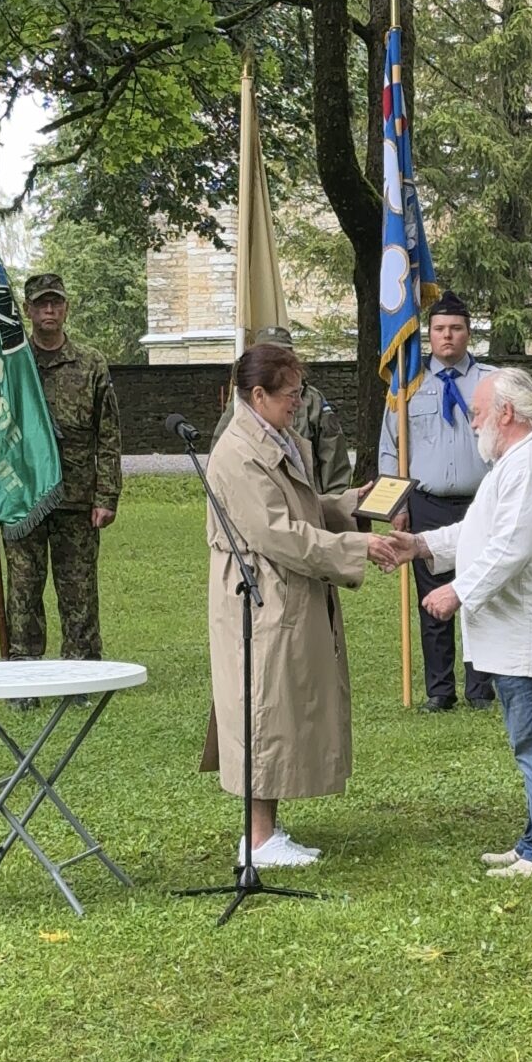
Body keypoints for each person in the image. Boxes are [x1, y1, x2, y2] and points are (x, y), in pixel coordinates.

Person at [200, 342, 395, 867]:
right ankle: (258, 838)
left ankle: (268, 831)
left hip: (283, 592)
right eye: (290, 394)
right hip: (259, 598)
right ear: (257, 395)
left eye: (300, 391)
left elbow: (301, 508)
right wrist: (358, 546)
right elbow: (277, 533)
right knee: (262, 708)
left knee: (281, 708)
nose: (298, 402)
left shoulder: (275, 436)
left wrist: (353, 503)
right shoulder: (237, 452)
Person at [386, 368, 532, 876]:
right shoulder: (515, 462)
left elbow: (510, 547)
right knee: (531, 737)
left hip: (529, 630)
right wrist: (421, 545)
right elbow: (478, 532)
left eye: (477, 412)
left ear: (506, 413)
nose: (471, 422)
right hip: (516, 629)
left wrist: (457, 591)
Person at [0, 272, 121, 708]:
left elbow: (108, 435)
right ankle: (25, 678)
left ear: (66, 308)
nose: (48, 311)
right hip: (22, 497)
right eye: (40, 304)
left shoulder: (90, 364)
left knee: (78, 591)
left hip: (76, 499)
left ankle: (79, 677)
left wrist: (107, 495)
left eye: (56, 303)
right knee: (24, 589)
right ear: (28, 311)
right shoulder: (12, 366)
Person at [378, 290, 497, 712]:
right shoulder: (408, 384)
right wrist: (396, 505)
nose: (448, 336)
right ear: (428, 335)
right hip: (426, 502)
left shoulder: (491, 382)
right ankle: (439, 690)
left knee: (480, 590)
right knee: (431, 596)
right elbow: (391, 448)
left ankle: (481, 687)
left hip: (480, 501)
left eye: (457, 329)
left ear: (469, 333)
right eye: (440, 329)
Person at [211, 326, 351, 495]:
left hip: (309, 503)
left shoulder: (313, 400)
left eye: (282, 356)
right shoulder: (241, 408)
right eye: (269, 358)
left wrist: (337, 506)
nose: (277, 365)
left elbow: (333, 456)